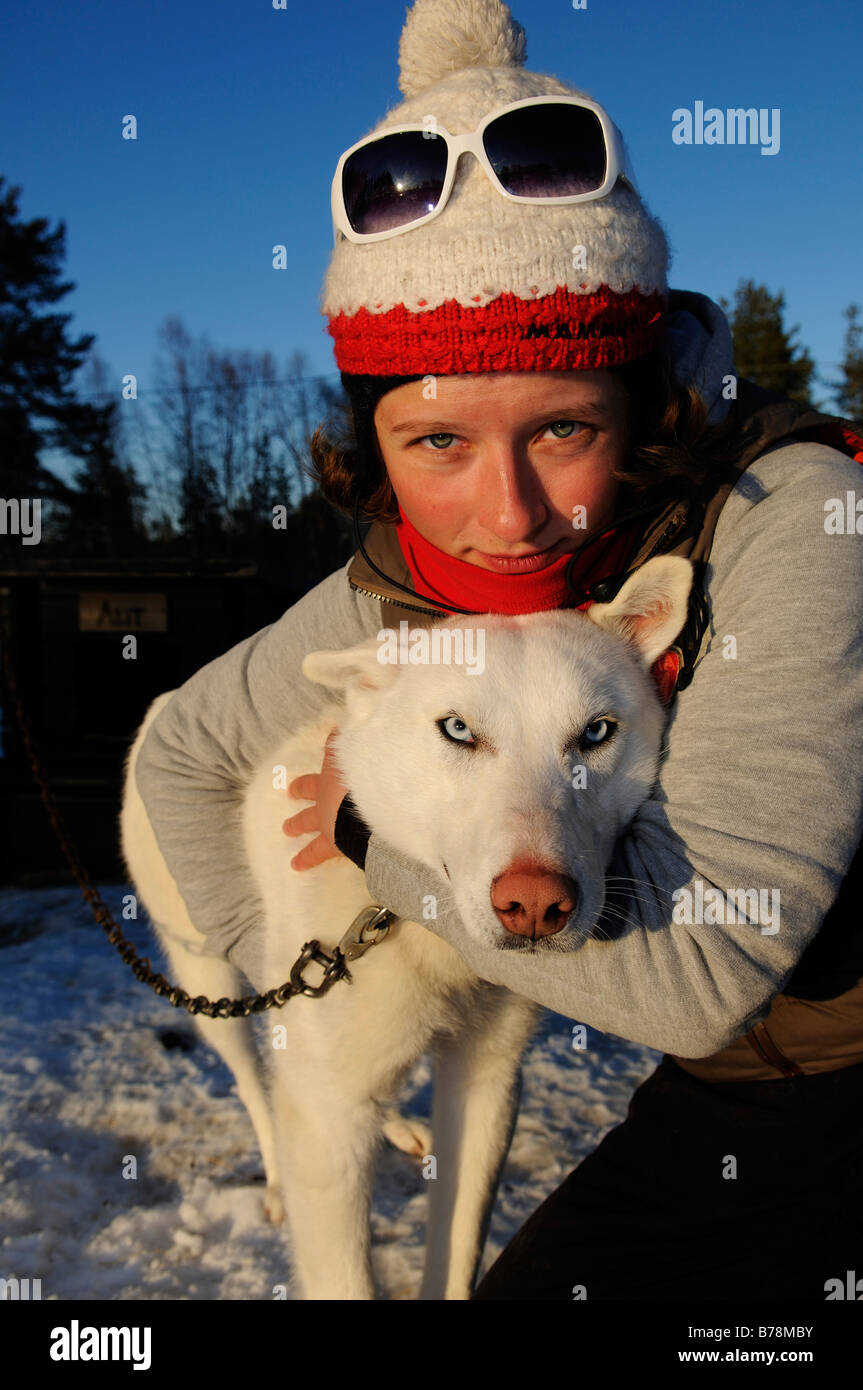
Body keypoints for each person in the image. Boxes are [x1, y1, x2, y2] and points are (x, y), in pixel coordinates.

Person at [134, 0, 863, 1299]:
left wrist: (375, 843)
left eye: (564, 428)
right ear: (378, 445)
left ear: (640, 400)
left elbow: (700, 975)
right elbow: (187, 741)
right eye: (439, 443)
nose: (511, 514)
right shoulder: (409, 584)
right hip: (728, 1086)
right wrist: (284, 977)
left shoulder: (796, 517)